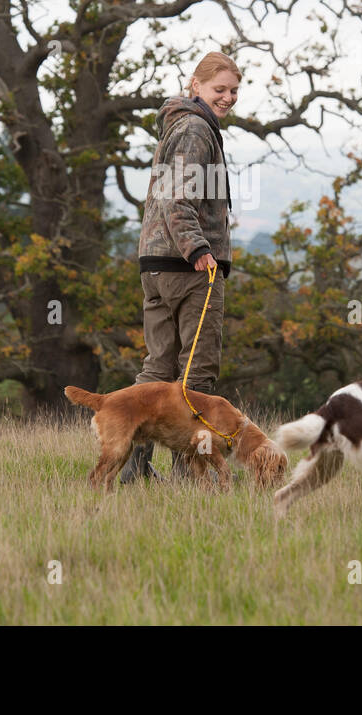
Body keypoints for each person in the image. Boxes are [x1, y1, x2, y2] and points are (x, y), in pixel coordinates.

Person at [120, 52, 241, 483]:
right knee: (197, 374)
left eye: (233, 91)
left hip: (156, 263)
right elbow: (177, 199)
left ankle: (133, 468)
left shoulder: (180, 124)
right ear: (196, 85)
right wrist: (199, 250)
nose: (227, 97)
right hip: (186, 266)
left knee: (158, 370)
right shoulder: (194, 129)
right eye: (219, 89)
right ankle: (192, 475)